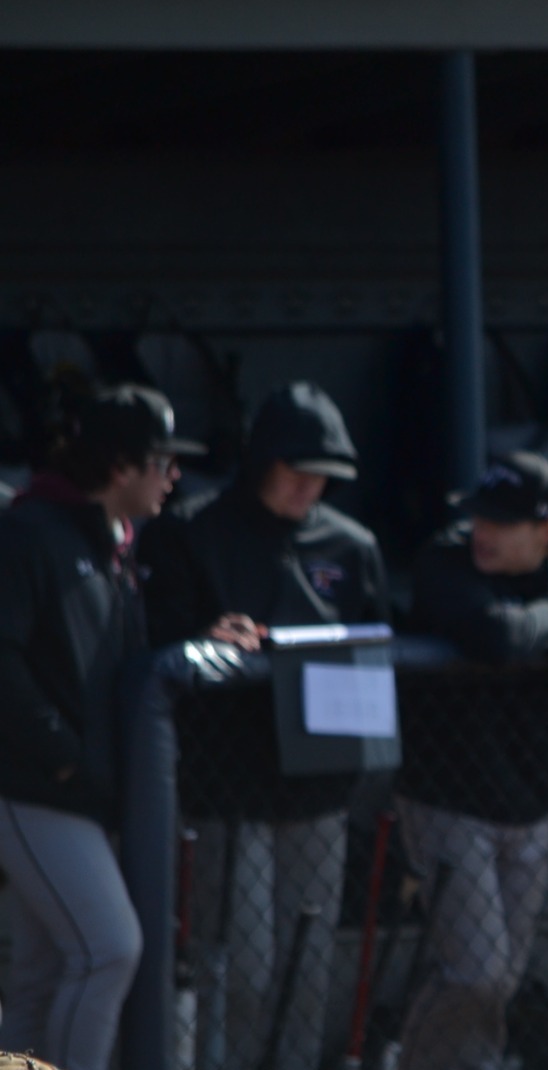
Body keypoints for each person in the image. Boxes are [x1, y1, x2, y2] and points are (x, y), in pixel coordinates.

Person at [140, 380, 389, 1070]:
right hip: (226, 787)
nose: (311, 487)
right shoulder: (192, 528)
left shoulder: (351, 544)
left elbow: (373, 648)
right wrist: (203, 637)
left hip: (319, 787)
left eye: (325, 477)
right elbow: (148, 642)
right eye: (296, 471)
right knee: (238, 969)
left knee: (306, 968)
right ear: (262, 461)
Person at [394, 450, 548, 1070]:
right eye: (481, 517)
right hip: (447, 797)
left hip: (531, 801)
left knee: (502, 977)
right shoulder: (446, 556)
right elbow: (496, 637)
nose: (483, 532)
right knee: (478, 972)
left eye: (503, 523)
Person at [0, 385, 201, 1070]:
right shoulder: (30, 532)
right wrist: (60, 757)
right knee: (109, 948)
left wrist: (204, 636)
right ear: (120, 466)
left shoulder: (110, 539)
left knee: (41, 970)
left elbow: (114, 655)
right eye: (162, 462)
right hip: (33, 788)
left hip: (75, 789)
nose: (174, 477)